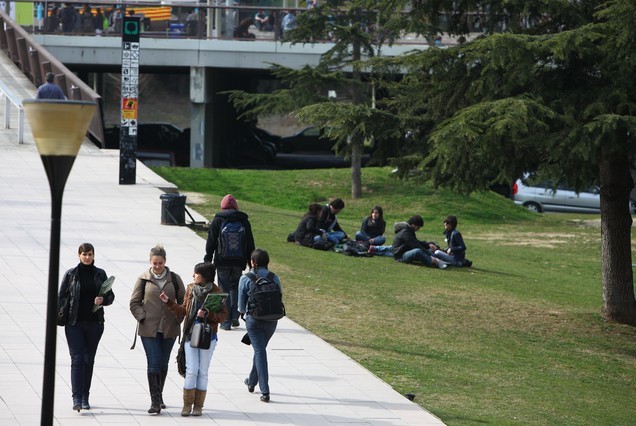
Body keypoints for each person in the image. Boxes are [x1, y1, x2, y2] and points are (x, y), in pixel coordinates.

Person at [161, 263, 228, 417]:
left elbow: (223, 317)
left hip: (207, 336)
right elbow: (183, 310)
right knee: (191, 370)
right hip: (190, 335)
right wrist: (169, 302)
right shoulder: (191, 289)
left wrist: (208, 315)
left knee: (202, 371)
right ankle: (186, 405)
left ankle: (198, 406)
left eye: (196, 273)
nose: (193, 276)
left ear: (205, 276)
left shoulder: (217, 292)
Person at [57, 243, 114, 412]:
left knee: (89, 359)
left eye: (89, 254)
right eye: (84, 254)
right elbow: (61, 297)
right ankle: (76, 397)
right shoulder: (71, 274)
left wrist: (103, 300)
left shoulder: (100, 274)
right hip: (74, 323)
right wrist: (61, 314)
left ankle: (85, 396)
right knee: (77, 359)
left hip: (95, 323)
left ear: (94, 255)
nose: (87, 257)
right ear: (79, 255)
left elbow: (110, 295)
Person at [130, 245, 186, 414]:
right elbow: (134, 303)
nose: (157, 266)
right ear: (150, 262)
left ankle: (159, 395)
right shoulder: (143, 279)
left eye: (160, 263)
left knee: (163, 363)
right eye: (154, 263)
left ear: (165, 262)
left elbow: (184, 303)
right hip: (149, 330)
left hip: (169, 328)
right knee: (153, 363)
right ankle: (155, 401)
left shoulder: (175, 279)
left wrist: (177, 315)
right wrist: (142, 317)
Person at [204, 194, 255, 330]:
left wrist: (207, 260)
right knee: (236, 288)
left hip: (222, 261)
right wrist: (251, 263)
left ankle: (225, 321)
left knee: (223, 289)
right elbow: (250, 243)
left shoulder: (218, 220)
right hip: (239, 262)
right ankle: (234, 317)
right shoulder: (244, 221)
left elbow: (211, 242)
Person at [238, 249, 282, 403]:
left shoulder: (246, 278)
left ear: (252, 262)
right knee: (260, 350)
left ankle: (265, 390)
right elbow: (279, 296)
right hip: (272, 320)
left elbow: (241, 308)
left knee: (259, 351)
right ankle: (251, 381)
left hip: (254, 320)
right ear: (267, 262)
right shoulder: (273, 277)